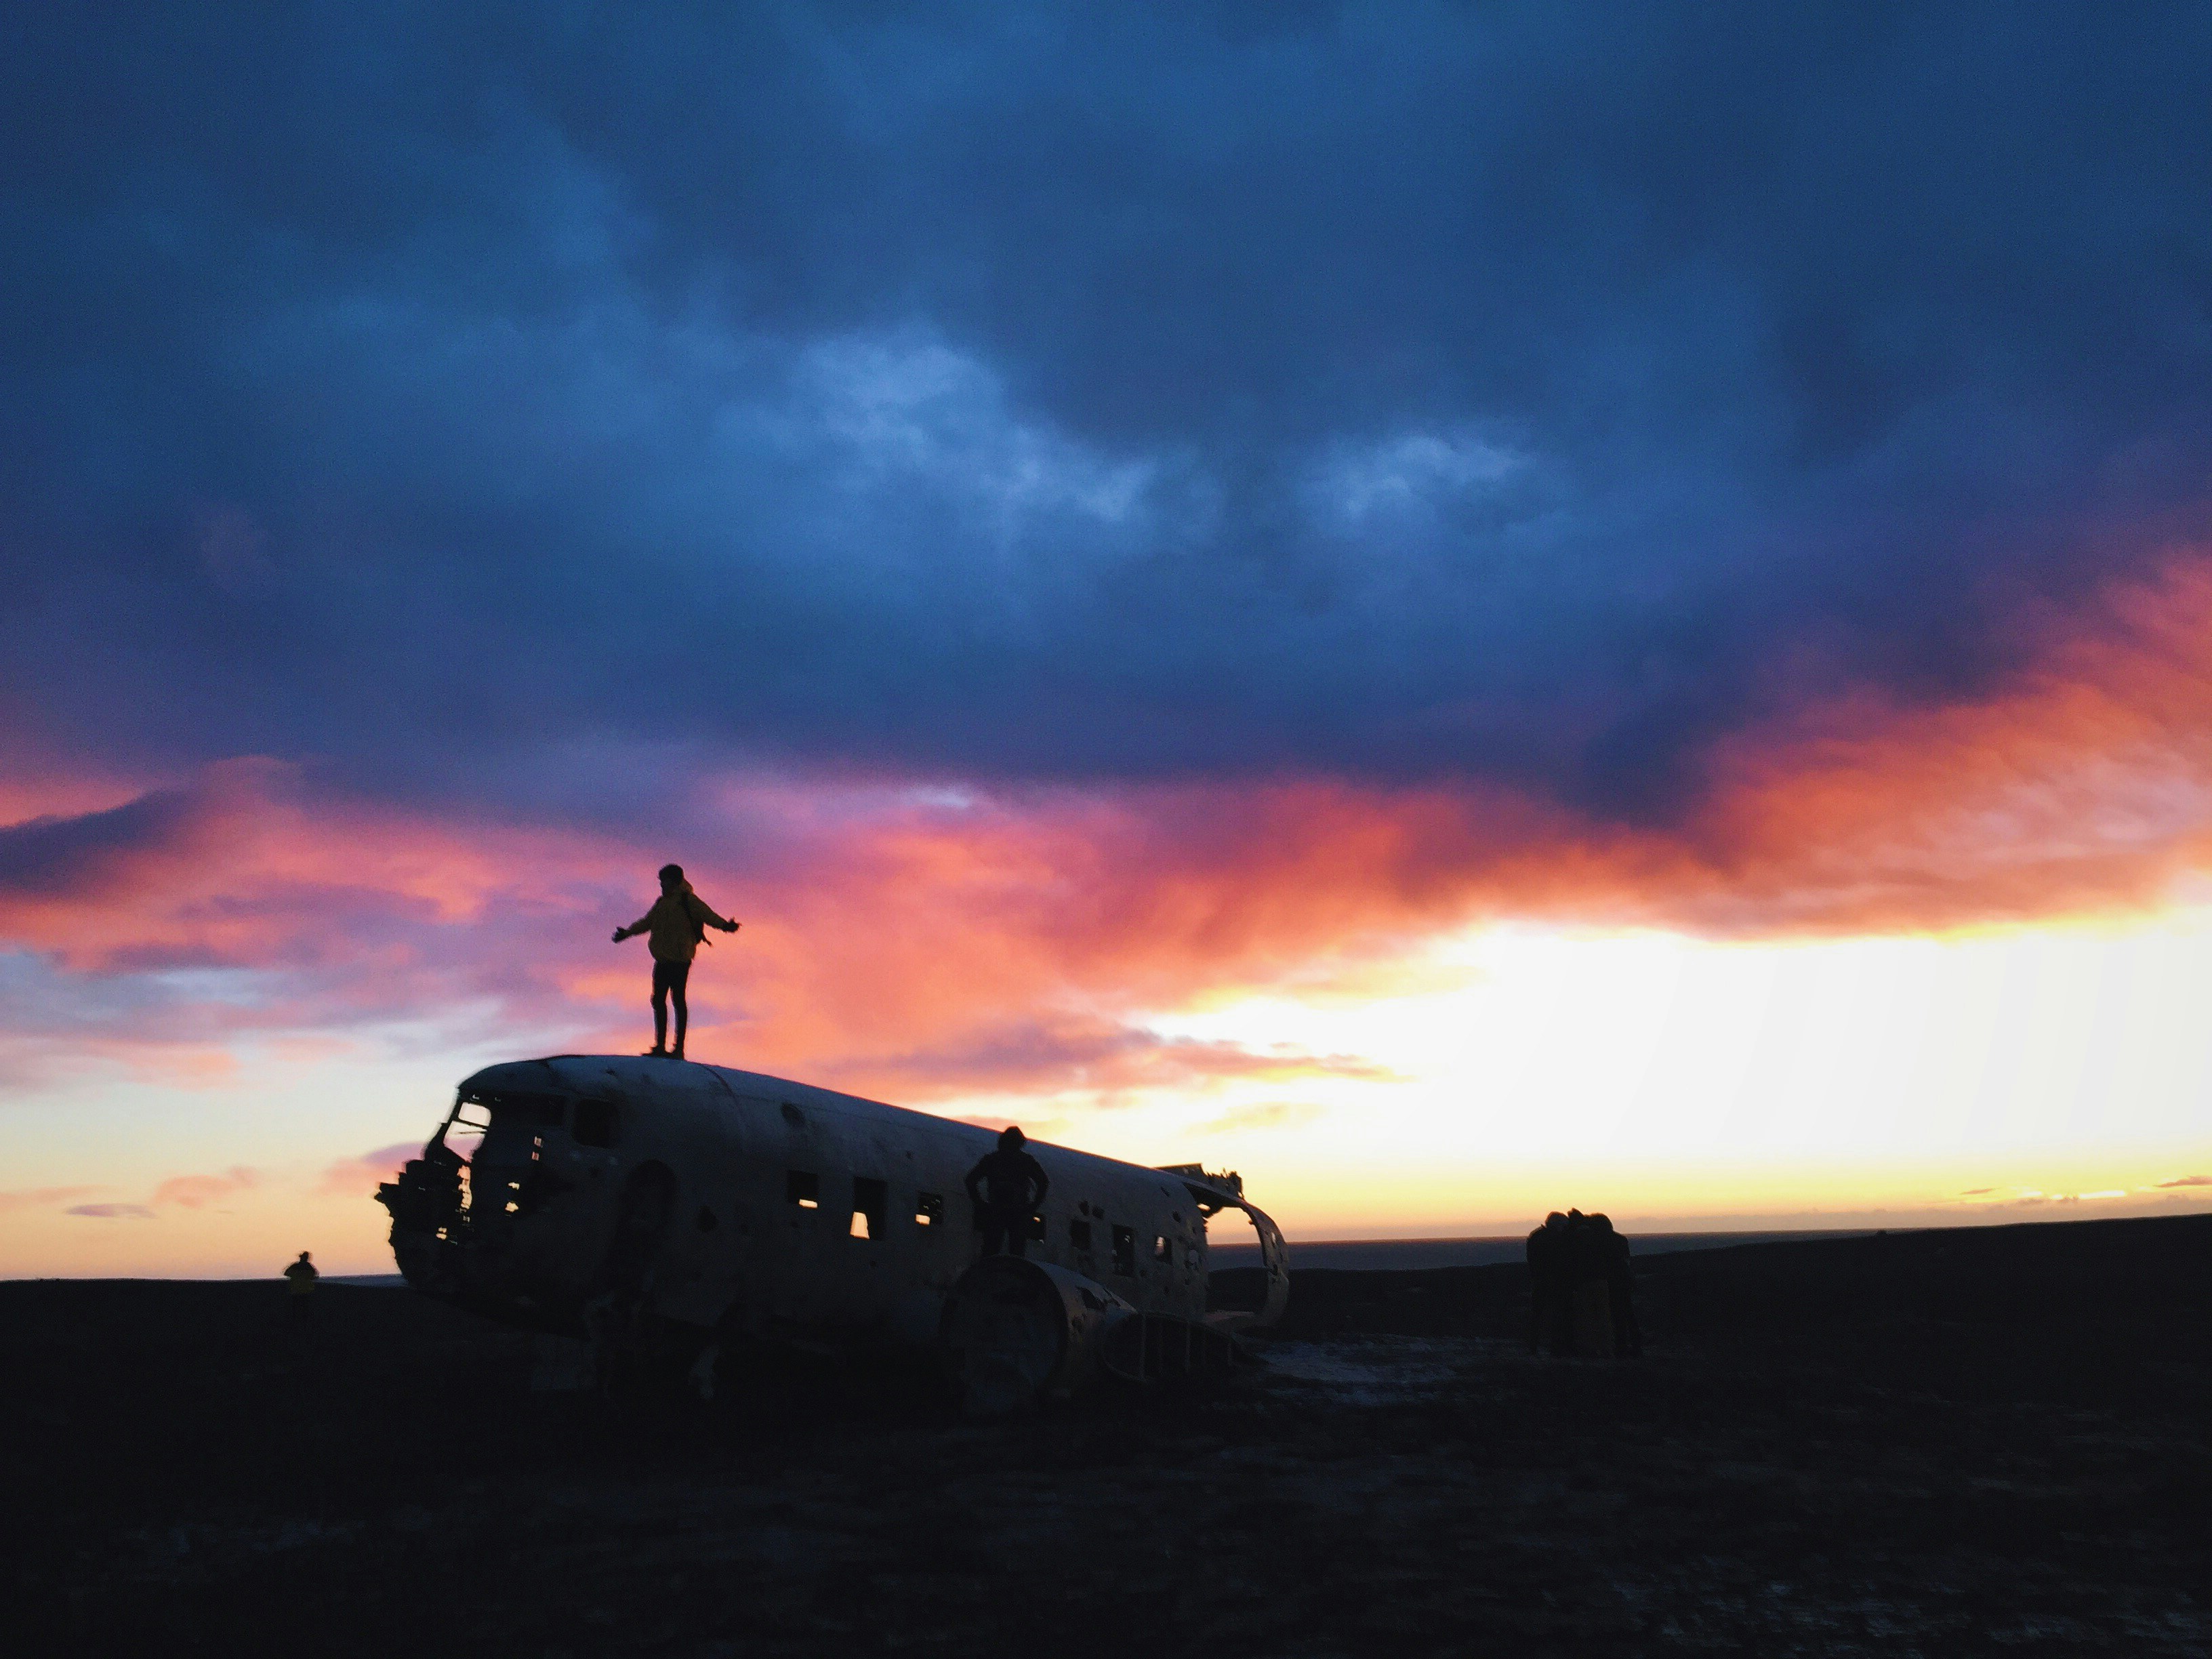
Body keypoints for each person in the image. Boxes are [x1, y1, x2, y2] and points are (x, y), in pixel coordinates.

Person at [611, 863, 739, 1059]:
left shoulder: (688, 901)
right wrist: (627, 933)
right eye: (661, 881)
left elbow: (708, 915)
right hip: (662, 959)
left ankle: (678, 1049)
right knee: (658, 1000)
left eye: (665, 880)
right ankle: (660, 1047)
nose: (662, 884)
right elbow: (647, 922)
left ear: (676, 881)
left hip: (680, 959)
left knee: (678, 1000)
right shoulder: (662, 903)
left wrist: (725, 926)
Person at [964, 1126, 1049, 1258]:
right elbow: (1043, 1182)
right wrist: (1032, 1206)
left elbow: (971, 1180)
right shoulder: (1025, 1161)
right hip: (1017, 1211)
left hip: (998, 1210)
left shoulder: (993, 1159)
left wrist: (981, 1204)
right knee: (1016, 1254)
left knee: (991, 1253)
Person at [1590, 1212, 1643, 1357]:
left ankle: (1620, 1345)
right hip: (1623, 1280)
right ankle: (1635, 1344)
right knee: (1628, 1314)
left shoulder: (1597, 1241)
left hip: (1609, 1281)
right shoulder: (1620, 1239)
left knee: (1615, 1315)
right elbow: (1626, 1260)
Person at [1525, 1211, 1570, 1354]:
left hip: (1539, 1280)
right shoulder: (1558, 1239)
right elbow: (1561, 1260)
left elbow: (1531, 1258)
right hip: (1555, 1281)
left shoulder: (1535, 1236)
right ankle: (1555, 1346)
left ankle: (1533, 1345)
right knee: (1556, 1314)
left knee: (1537, 1315)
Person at [283, 1250, 318, 1323]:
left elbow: (286, 1273)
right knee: (305, 1308)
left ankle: (296, 1322)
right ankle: (304, 1322)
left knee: (296, 1308)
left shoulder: (295, 1266)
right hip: (306, 1290)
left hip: (296, 1290)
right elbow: (315, 1276)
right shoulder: (309, 1267)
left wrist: (296, 1276)